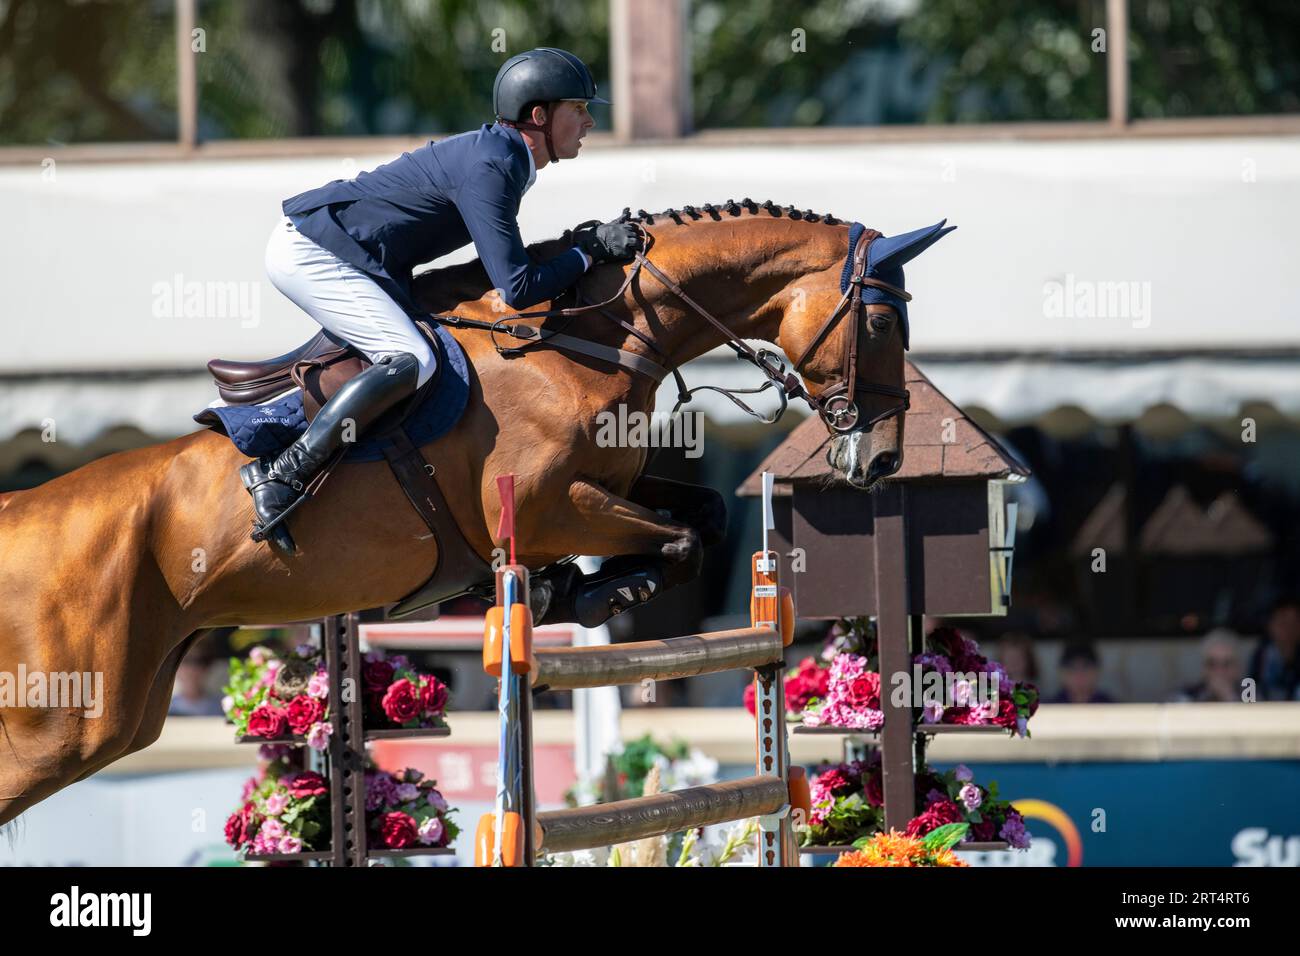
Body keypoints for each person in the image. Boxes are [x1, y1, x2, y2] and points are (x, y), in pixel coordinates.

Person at [243, 48, 642, 550]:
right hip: (316, 252)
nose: (588, 121)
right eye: (579, 109)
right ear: (539, 117)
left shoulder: (503, 159)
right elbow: (517, 288)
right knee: (412, 358)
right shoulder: (492, 166)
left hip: (346, 253)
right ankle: (281, 474)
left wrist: (583, 251)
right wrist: (588, 252)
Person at [1172, 628, 1245, 703]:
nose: (1219, 671)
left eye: (1227, 664)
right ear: (1203, 668)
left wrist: (1230, 698)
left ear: (1237, 667)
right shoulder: (1186, 694)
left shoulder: (1250, 694)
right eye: (1212, 664)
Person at [1248, 597, 1300, 701]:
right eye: (1283, 623)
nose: (1289, 629)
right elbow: (1248, 696)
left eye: (1294, 623)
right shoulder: (1257, 655)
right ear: (1270, 625)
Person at [1047, 641, 1115, 704]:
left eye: (1086, 667)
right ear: (1061, 673)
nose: (1079, 675)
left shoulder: (1113, 707)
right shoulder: (1047, 708)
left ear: (1097, 671)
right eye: (1072, 668)